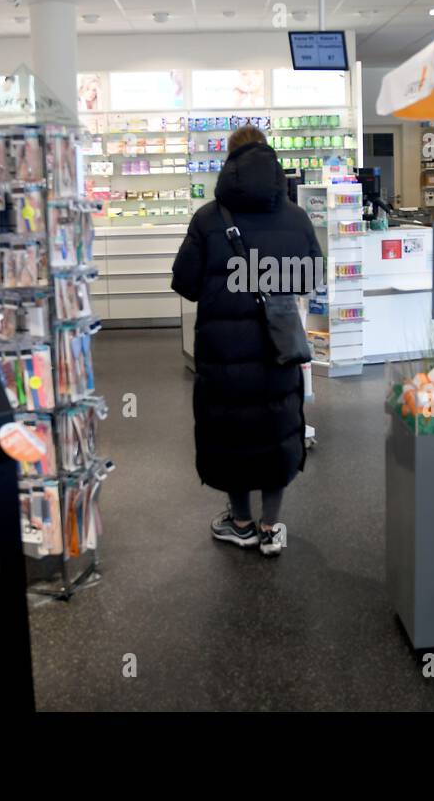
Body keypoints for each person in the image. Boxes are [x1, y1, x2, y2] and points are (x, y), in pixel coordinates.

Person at [171, 125, 323, 557]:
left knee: (231, 429)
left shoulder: (208, 218)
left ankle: (240, 523)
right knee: (276, 428)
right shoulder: (295, 216)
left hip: (224, 352)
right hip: (279, 348)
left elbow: (186, 282)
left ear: (229, 163)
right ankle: (272, 527)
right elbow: (311, 276)